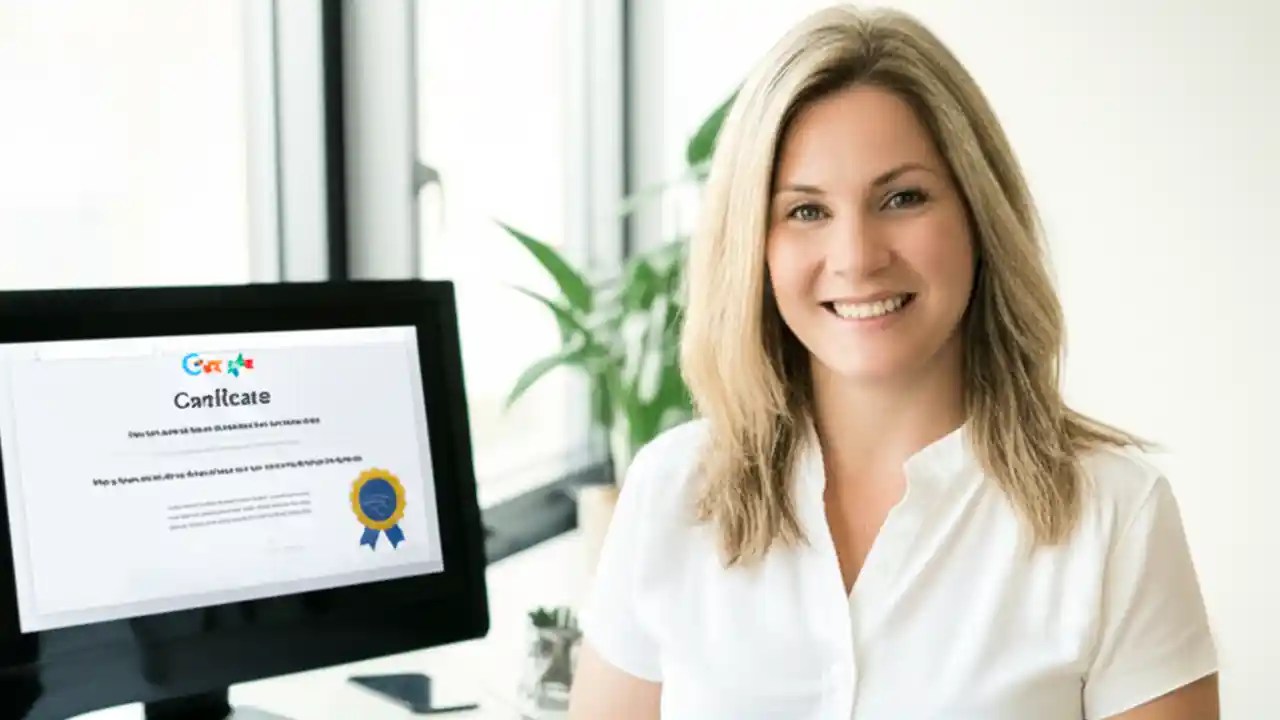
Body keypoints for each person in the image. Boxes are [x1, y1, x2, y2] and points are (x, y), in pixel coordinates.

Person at [568, 4, 1218, 720]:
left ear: (978, 213)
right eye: (806, 212)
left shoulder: (1112, 513)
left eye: (902, 197)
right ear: (754, 244)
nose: (857, 258)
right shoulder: (671, 491)